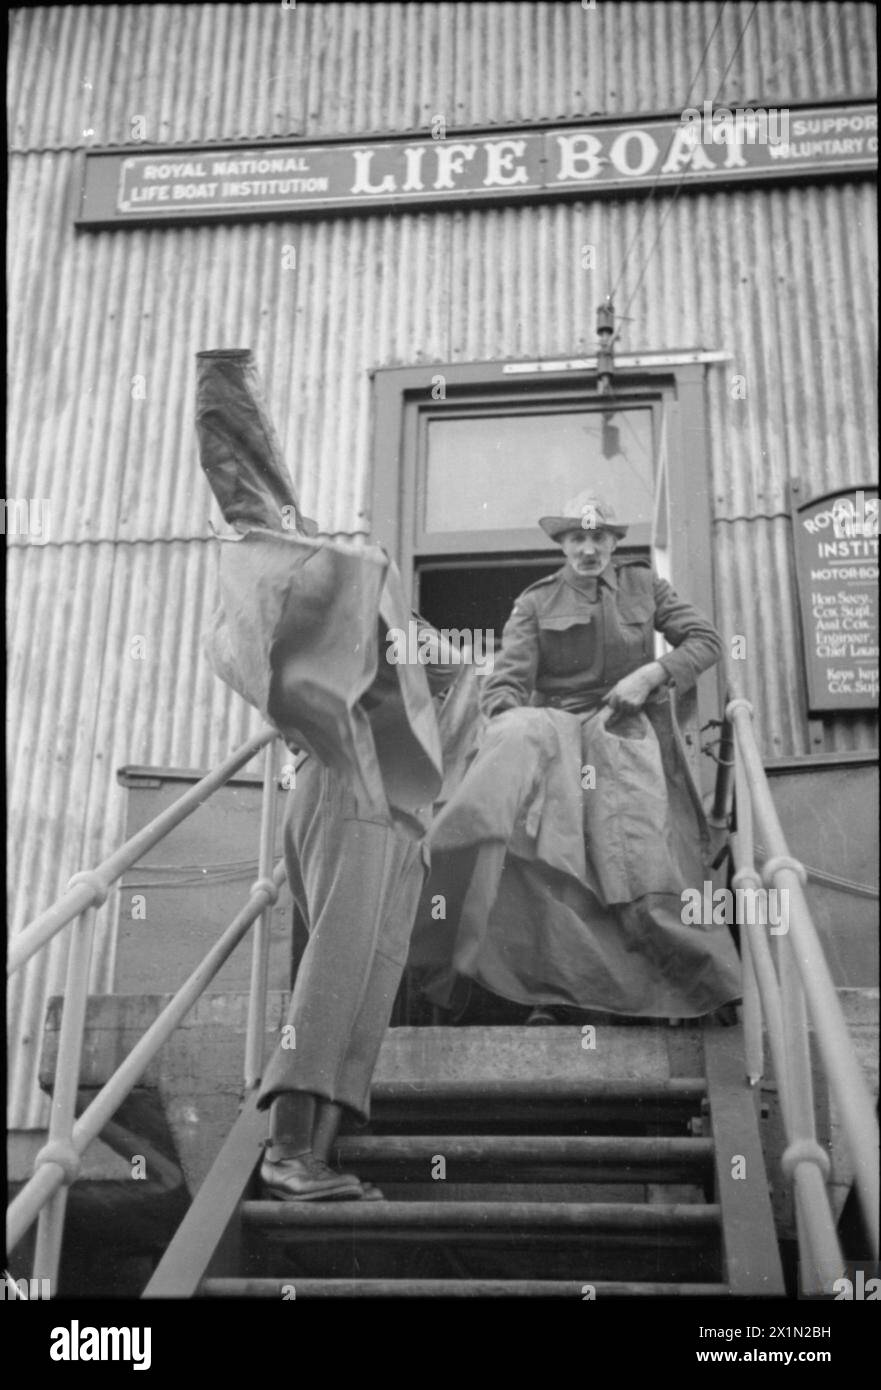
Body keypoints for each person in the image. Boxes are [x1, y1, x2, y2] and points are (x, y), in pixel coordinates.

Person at [412, 491, 742, 1023]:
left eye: (598, 538)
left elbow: (704, 640)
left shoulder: (644, 585)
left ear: (614, 541)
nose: (588, 549)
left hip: (625, 730)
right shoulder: (535, 601)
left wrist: (652, 674)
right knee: (545, 847)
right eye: (577, 539)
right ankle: (547, 987)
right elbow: (506, 688)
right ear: (563, 544)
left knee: (636, 858)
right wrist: (512, 729)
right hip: (558, 731)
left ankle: (703, 992)